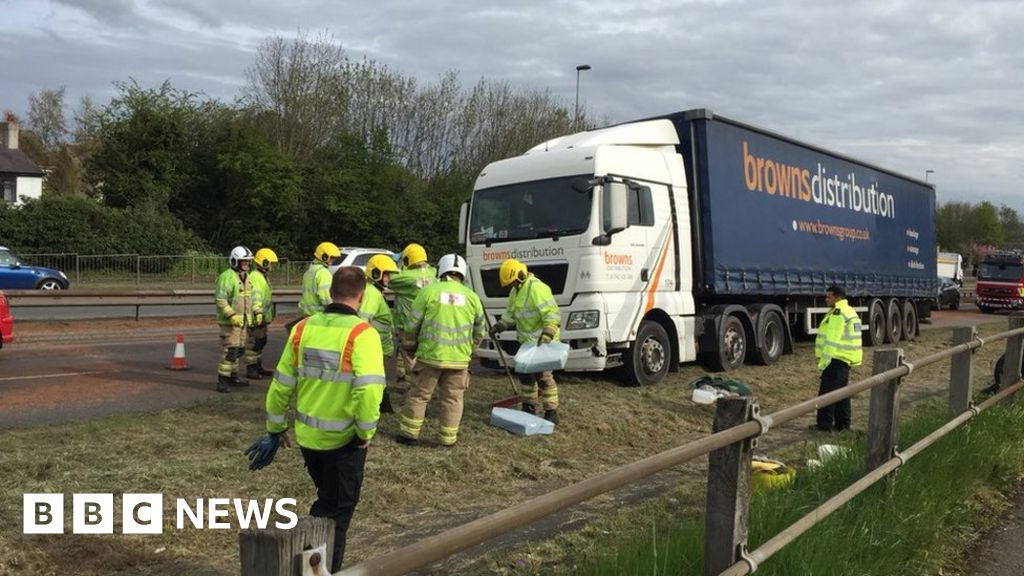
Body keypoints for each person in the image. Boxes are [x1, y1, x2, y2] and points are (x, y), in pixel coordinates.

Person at [253, 266, 385, 572]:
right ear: (362, 297)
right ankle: (317, 568)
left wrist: (275, 428)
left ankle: (308, 561)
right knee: (336, 515)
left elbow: (281, 385)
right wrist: (366, 433)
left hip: (308, 440)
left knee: (327, 503)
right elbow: (367, 392)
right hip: (345, 443)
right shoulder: (362, 334)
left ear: (330, 293)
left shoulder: (302, 328)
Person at [398, 254, 484, 447]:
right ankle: (447, 439)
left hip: (430, 356)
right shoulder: (472, 297)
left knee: (419, 395)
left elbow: (412, 324)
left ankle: (409, 435)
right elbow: (480, 330)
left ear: (441, 270)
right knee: (453, 399)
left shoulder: (428, 292)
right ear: (462, 274)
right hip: (459, 360)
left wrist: (410, 345)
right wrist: (470, 350)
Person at [488, 258, 562, 424]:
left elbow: (552, 314)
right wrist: (500, 326)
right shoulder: (516, 291)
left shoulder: (537, 288)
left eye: (513, 283)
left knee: (543, 377)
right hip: (527, 344)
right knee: (526, 376)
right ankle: (529, 407)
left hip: (543, 343)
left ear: (520, 275)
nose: (511, 286)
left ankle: (551, 411)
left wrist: (547, 334)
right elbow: (511, 314)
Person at [812, 284, 863, 432]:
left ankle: (824, 425)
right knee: (842, 395)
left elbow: (832, 340)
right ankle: (843, 425)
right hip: (845, 359)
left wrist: (824, 362)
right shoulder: (849, 311)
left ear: (837, 297)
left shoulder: (838, 313)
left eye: (829, 296)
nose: (826, 299)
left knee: (827, 394)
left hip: (835, 358)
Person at [390, 243, 437, 385]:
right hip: (425, 323)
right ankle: (402, 376)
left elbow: (389, 277)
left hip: (407, 323)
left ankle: (415, 384)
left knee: (408, 354)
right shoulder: (433, 273)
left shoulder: (404, 278)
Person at [361, 254, 398, 412]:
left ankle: (382, 404)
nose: (389, 278)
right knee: (375, 378)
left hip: (377, 346)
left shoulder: (373, 291)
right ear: (376, 274)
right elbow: (363, 320)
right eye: (387, 274)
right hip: (374, 347)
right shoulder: (372, 294)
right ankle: (379, 405)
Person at [245, 247, 278, 380]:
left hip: (261, 317)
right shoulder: (256, 277)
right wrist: (258, 312)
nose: (272, 266)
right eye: (271, 263)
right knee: (255, 343)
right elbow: (256, 297)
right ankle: (251, 369)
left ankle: (258, 367)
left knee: (261, 341)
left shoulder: (261, 277)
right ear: (264, 263)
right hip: (256, 317)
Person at [298, 242, 341, 318]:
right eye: (332, 257)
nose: (333, 260)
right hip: (320, 316)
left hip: (307, 314)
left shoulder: (309, 271)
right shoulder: (323, 273)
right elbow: (325, 297)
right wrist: (335, 310)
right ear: (324, 257)